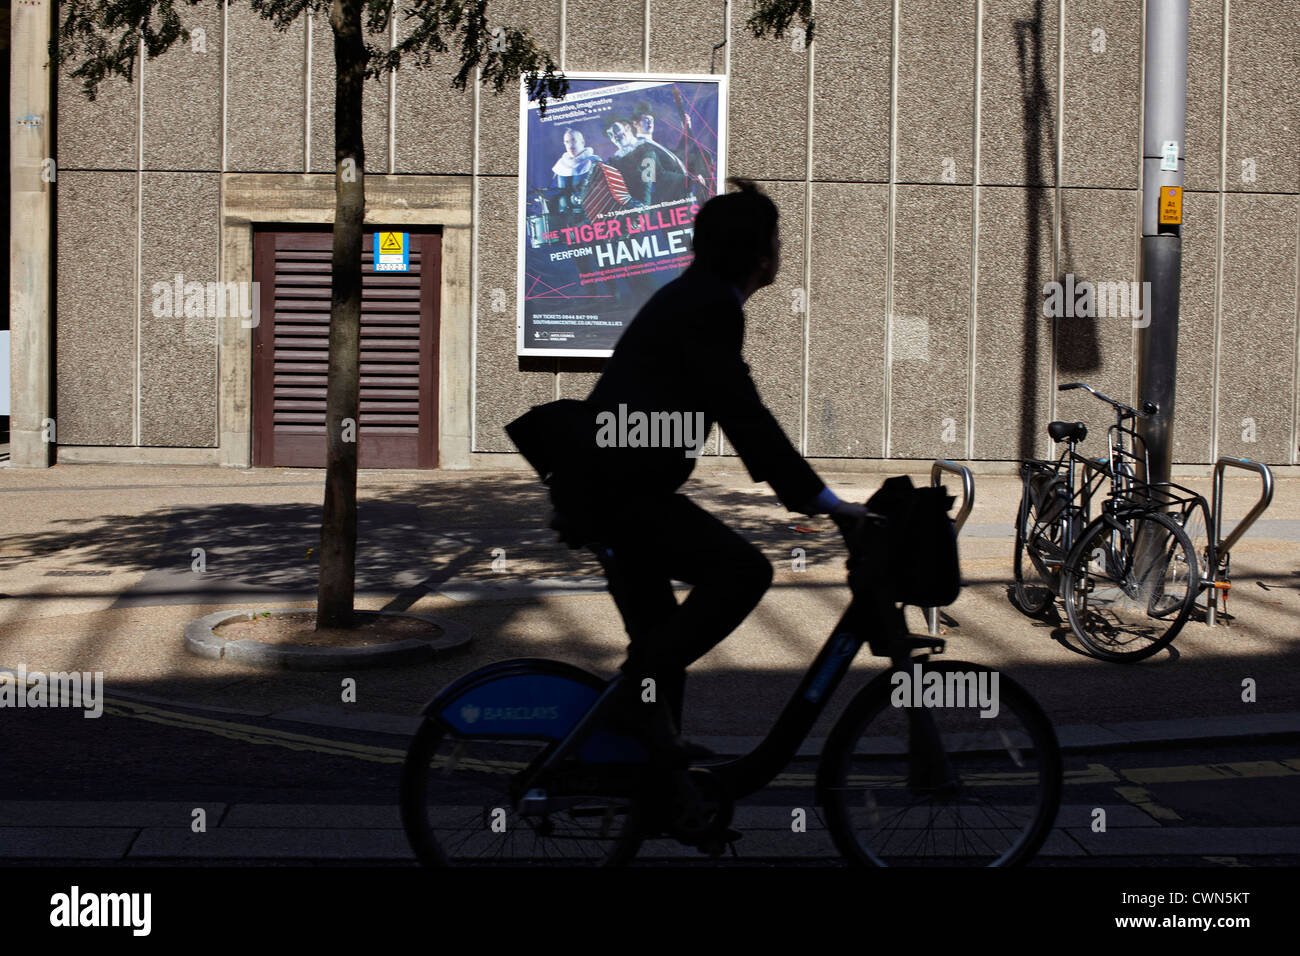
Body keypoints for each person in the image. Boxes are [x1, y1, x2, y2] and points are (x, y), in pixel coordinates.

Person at [562, 178, 867, 764]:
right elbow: (743, 412)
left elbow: (737, 407)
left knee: (661, 639)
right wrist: (825, 501)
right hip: (620, 494)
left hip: (608, 489)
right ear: (758, 253)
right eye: (777, 238)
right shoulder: (708, 306)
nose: (781, 250)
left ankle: (660, 767)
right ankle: (635, 712)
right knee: (743, 573)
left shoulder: (696, 296)